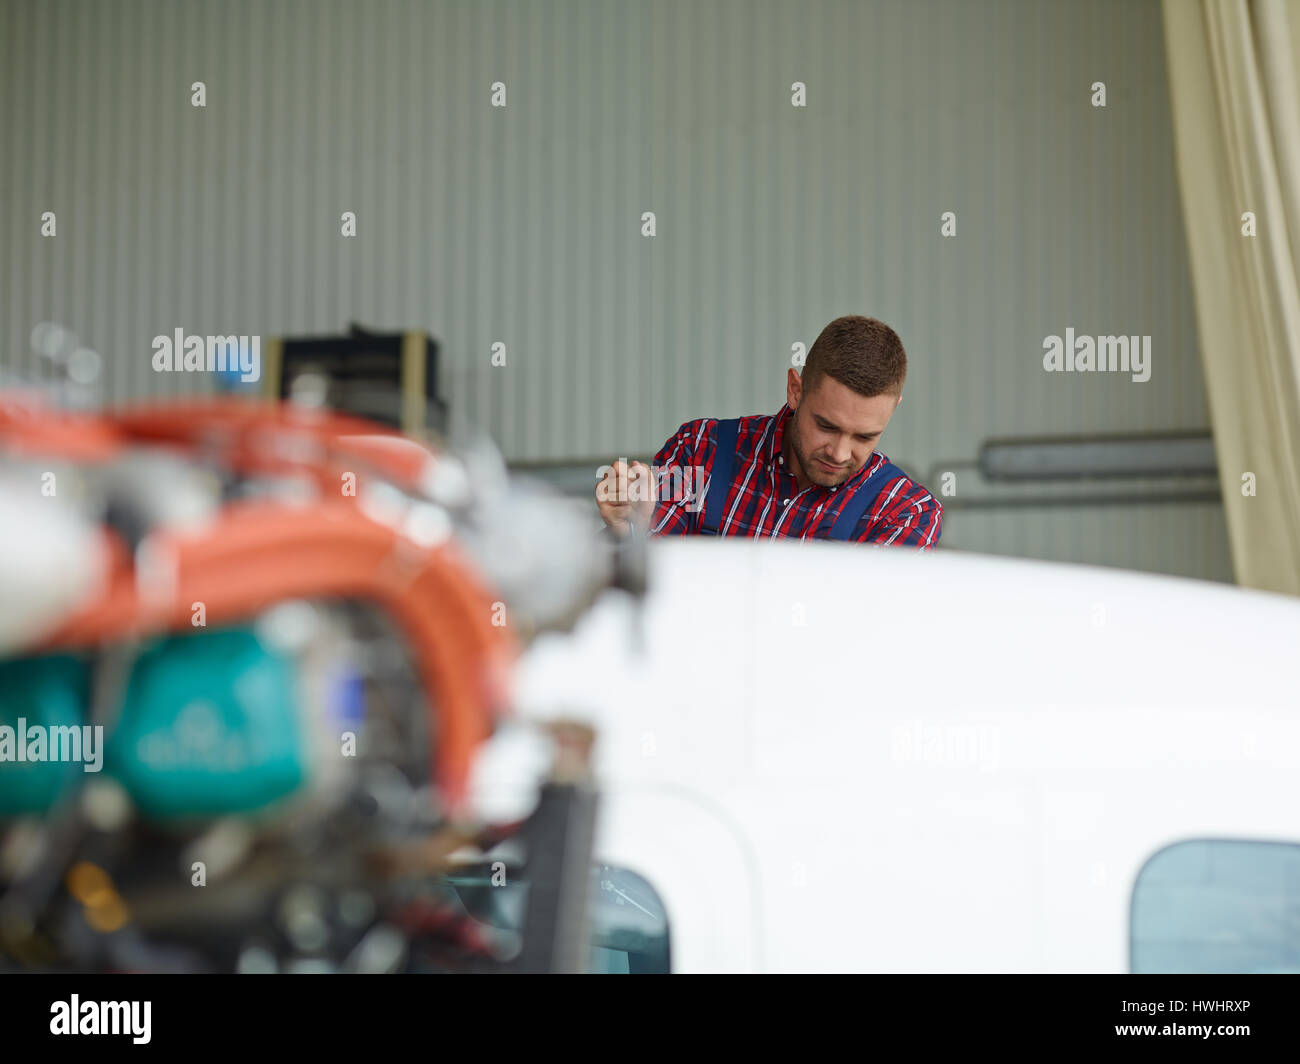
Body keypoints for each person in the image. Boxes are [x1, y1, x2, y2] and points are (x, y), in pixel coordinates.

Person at [596, 315, 941, 548]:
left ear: (893, 410)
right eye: (826, 426)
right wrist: (630, 533)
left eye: (864, 437)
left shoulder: (904, 514)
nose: (839, 453)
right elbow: (649, 593)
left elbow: (866, 641)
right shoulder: (702, 451)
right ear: (795, 389)